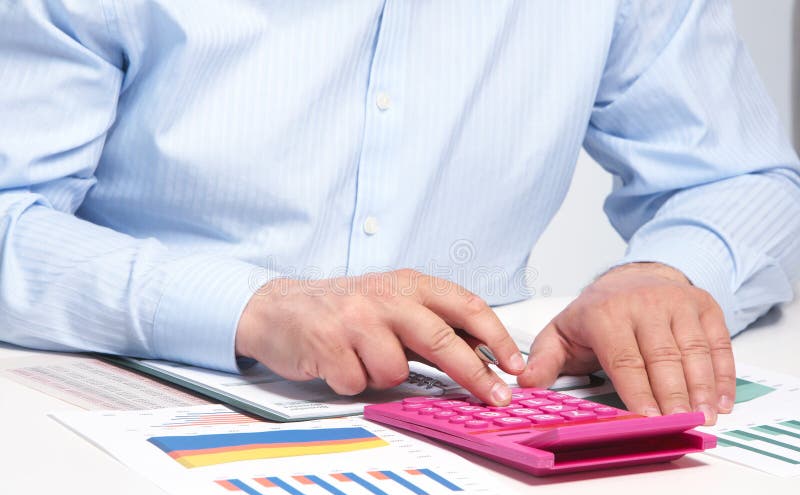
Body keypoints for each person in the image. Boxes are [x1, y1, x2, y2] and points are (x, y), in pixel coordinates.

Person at [1, 1, 798, 426]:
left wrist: (661, 275)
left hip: (470, 439)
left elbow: (749, 178)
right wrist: (251, 306)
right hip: (114, 418)